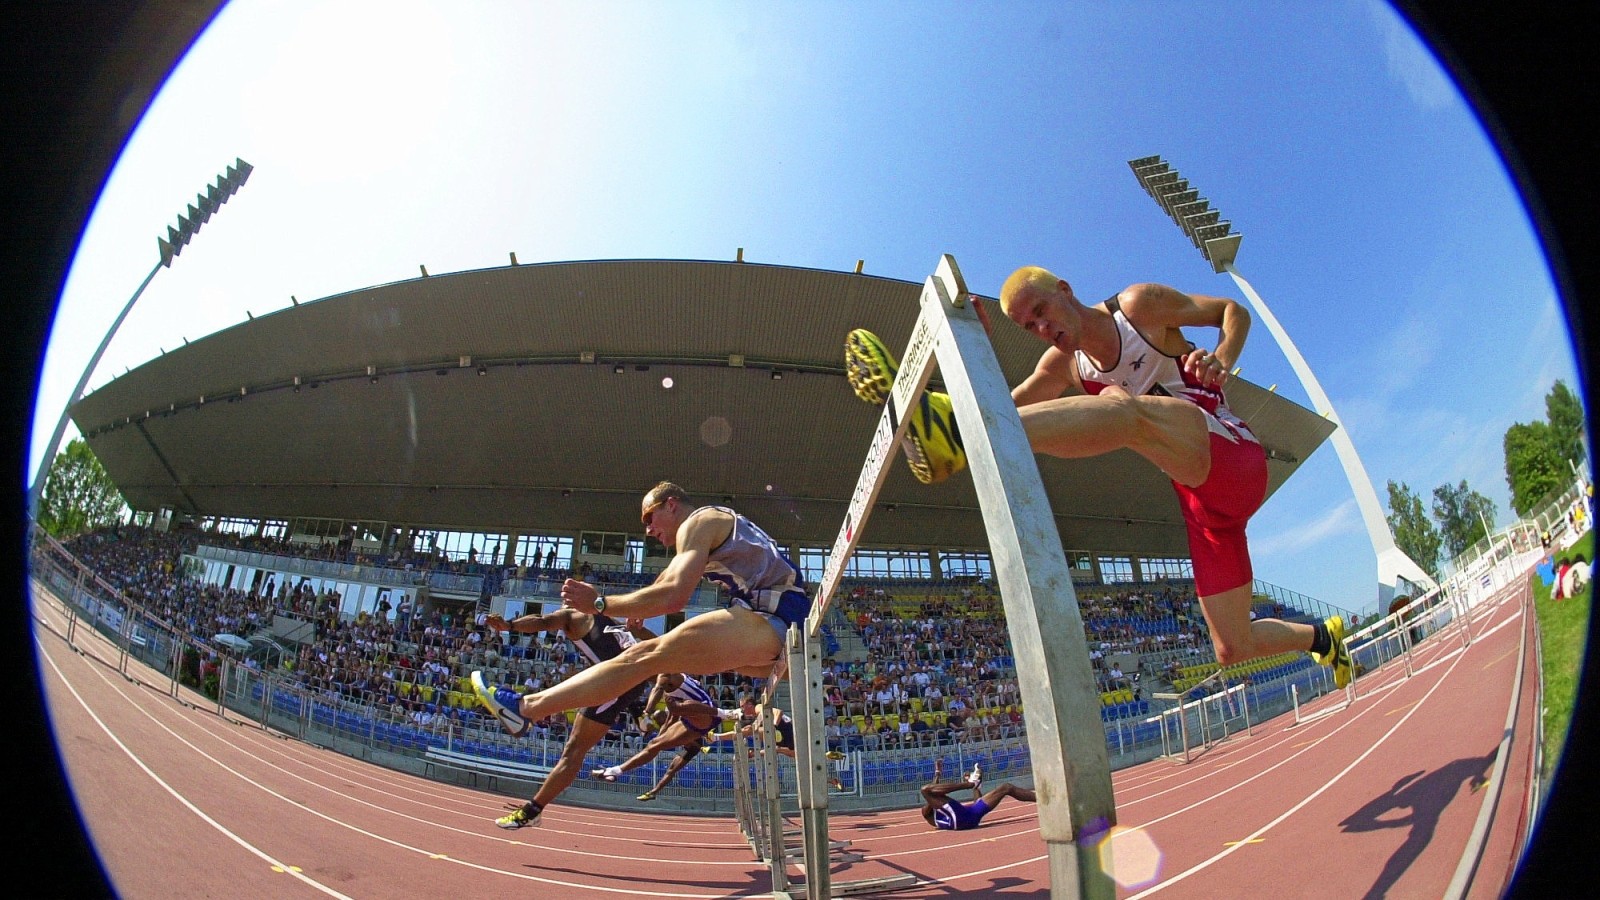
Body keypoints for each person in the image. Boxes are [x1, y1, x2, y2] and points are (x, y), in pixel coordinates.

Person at [844, 266, 1353, 687]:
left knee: (1120, 408)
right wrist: (967, 361)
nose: (1042, 329)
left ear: (1064, 290)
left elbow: (1230, 311)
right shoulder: (1064, 365)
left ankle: (953, 439)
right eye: (1029, 327)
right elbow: (1006, 405)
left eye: (1041, 311)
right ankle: (1321, 638)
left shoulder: (1139, 307)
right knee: (1231, 645)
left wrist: (1220, 358)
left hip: (1233, 456)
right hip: (1200, 502)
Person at [471, 482, 814, 781]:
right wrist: (631, 612)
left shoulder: (699, 522)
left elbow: (674, 596)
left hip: (780, 622)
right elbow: (661, 584)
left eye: (649, 518)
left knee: (644, 656)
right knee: (649, 657)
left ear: (671, 504)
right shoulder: (702, 533)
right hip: (774, 635)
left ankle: (526, 707)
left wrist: (600, 604)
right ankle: (528, 709)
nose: (648, 530)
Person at [468, 605, 655, 829]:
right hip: (620, 685)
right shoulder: (573, 616)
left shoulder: (606, 615)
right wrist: (510, 626)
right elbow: (542, 621)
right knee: (574, 751)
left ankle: (523, 711)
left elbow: (652, 645)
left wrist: (640, 631)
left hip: (624, 684)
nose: (566, 595)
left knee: (574, 751)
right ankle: (532, 810)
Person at [590, 672, 720, 802]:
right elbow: (670, 719)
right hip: (693, 723)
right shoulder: (669, 692)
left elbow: (657, 689)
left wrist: (646, 714)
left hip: (706, 715)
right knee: (655, 745)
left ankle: (725, 714)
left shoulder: (667, 675)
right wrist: (656, 740)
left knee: (677, 711)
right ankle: (615, 771)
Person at [918, 758, 1035, 832]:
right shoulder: (926, 812)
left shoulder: (943, 805)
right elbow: (931, 792)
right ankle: (970, 783)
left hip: (972, 817)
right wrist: (938, 774)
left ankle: (1044, 799)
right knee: (925, 789)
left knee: (1006, 787)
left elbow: (934, 791)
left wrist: (938, 773)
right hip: (957, 821)